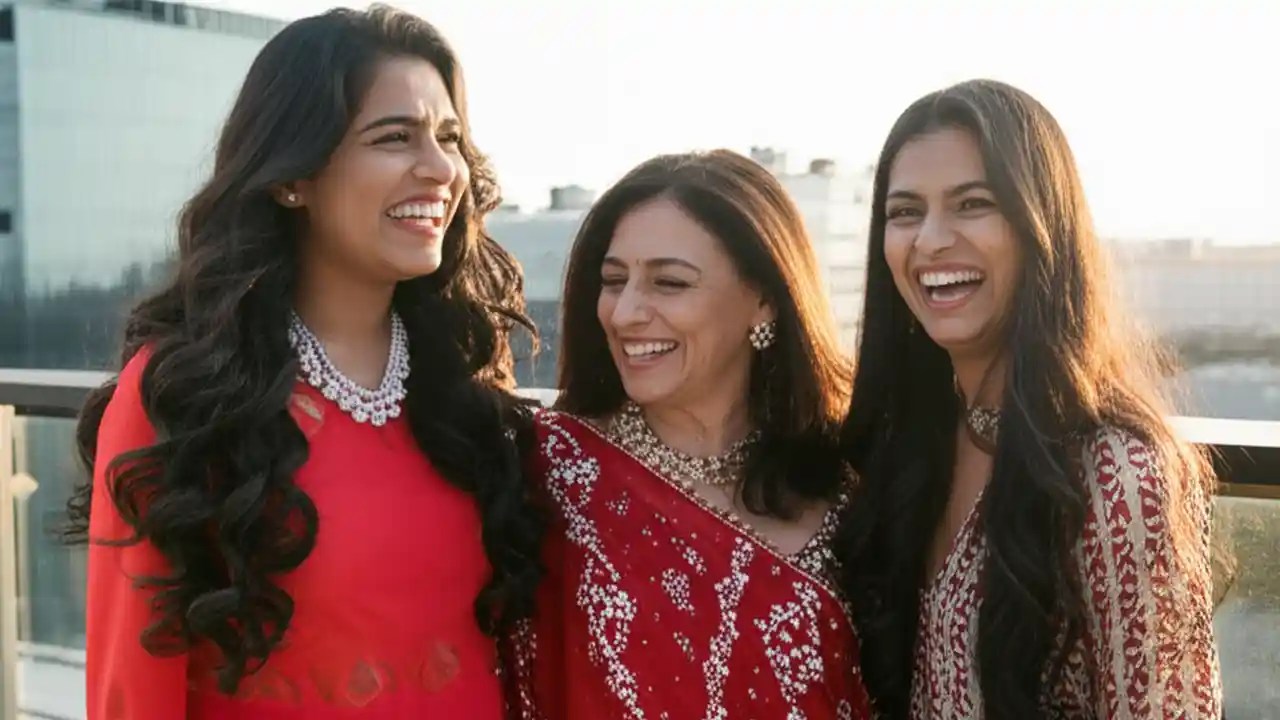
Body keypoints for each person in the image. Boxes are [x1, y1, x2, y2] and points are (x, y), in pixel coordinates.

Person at [63, 6, 542, 718]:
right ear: (293, 179)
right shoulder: (184, 398)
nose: (443, 168)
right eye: (394, 137)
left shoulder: (466, 396)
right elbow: (133, 690)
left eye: (449, 138)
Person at [837, 79, 1222, 719]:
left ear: (1042, 225)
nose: (930, 240)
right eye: (905, 211)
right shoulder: (893, 445)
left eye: (972, 203)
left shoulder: (1114, 474)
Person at [506, 149, 872, 718]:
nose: (625, 313)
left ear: (765, 300)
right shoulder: (544, 473)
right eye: (613, 280)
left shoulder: (854, 497)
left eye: (669, 283)